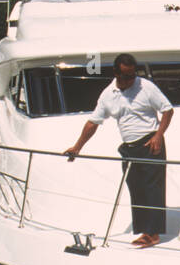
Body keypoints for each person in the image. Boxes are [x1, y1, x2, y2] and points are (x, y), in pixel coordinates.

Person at [63, 53, 173, 248]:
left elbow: (167, 110)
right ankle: (143, 230)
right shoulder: (108, 94)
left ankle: (152, 234)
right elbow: (93, 123)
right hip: (129, 147)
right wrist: (77, 148)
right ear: (115, 73)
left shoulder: (145, 87)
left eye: (132, 76)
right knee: (136, 188)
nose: (130, 80)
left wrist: (158, 135)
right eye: (125, 76)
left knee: (152, 189)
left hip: (150, 142)